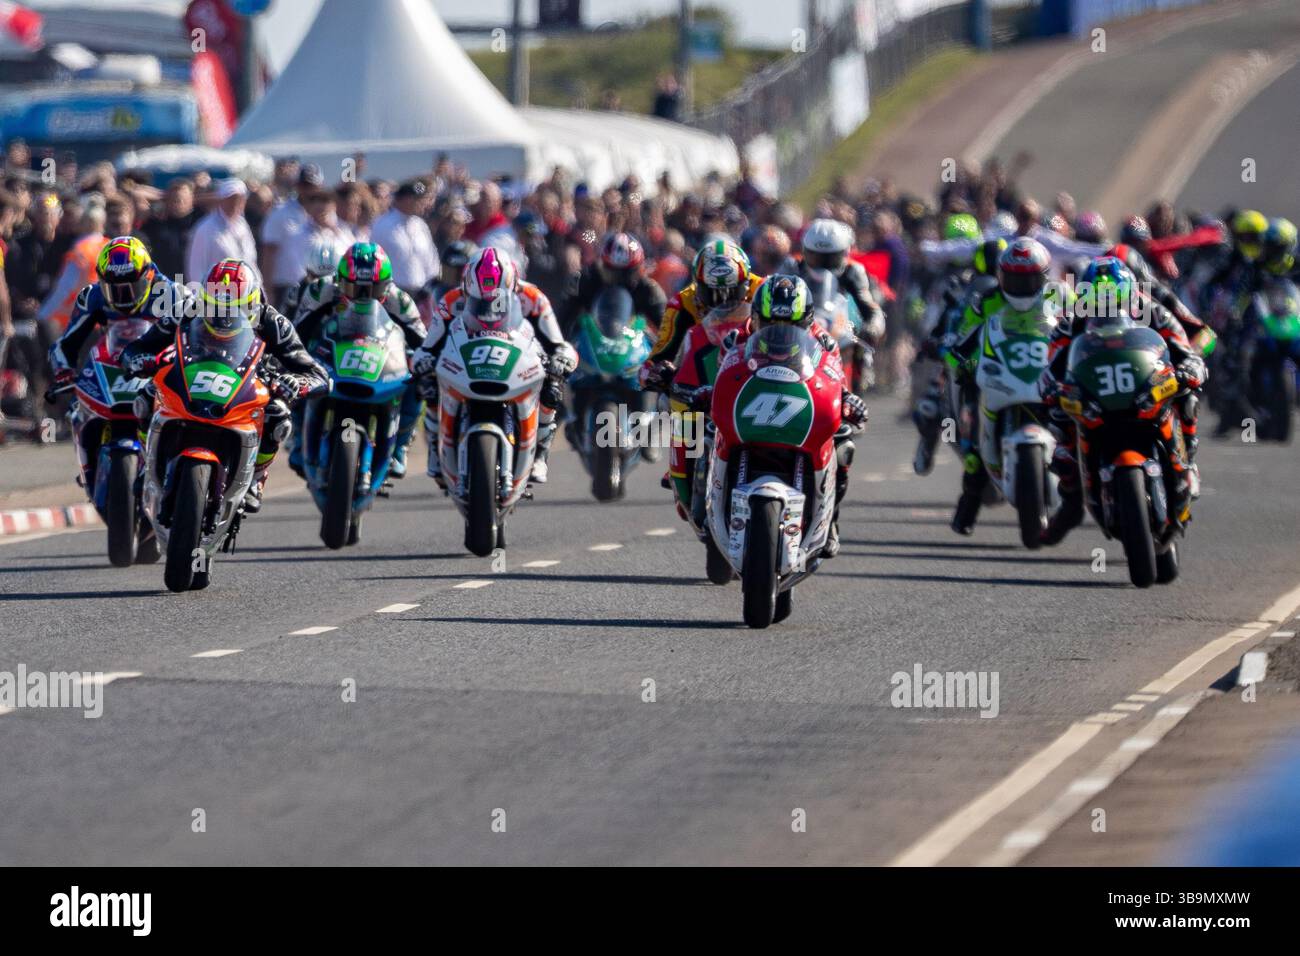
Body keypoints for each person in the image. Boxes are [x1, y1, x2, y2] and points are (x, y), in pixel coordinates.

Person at [121, 258, 327, 513]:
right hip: (192, 378)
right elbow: (138, 347)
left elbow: (316, 373)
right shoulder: (185, 309)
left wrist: (296, 383)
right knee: (147, 395)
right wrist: (138, 360)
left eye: (234, 310)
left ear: (252, 303)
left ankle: (255, 479)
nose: (224, 318)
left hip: (246, 388)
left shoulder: (274, 322)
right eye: (215, 308)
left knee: (278, 414)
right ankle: (147, 463)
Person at [1038, 256, 1207, 544]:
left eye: (1114, 295)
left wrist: (1189, 368)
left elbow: (1186, 351)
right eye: (1097, 297)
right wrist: (1053, 390)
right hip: (1095, 399)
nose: (1106, 303)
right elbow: (1050, 367)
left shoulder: (1154, 312)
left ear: (1130, 292)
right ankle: (1072, 493)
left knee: (1187, 394)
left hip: (1146, 390)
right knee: (1058, 430)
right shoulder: (1071, 323)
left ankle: (1187, 459)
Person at [412, 246, 576, 485]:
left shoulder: (533, 298)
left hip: (517, 357)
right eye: (478, 300)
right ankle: (437, 451)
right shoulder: (451, 301)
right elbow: (429, 345)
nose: (488, 305)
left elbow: (557, 343)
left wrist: (561, 359)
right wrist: (423, 361)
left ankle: (540, 452)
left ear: (512, 286)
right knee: (429, 385)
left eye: (496, 298)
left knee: (552, 388)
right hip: (468, 360)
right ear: (467, 287)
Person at [946, 237, 1067, 535]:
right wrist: (960, 359)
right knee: (973, 446)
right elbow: (964, 335)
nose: (1021, 286)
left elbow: (1085, 327)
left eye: (1028, 279)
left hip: (1047, 373)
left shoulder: (1061, 295)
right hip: (998, 371)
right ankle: (969, 504)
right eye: (1013, 278)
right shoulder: (987, 299)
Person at [293, 242, 427, 478]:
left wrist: (424, 364)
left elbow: (423, 345)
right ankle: (297, 439)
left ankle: (400, 447)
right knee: (297, 373)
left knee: (416, 381)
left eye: (372, 290)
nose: (363, 297)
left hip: (380, 359)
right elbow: (296, 334)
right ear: (339, 279)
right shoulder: (321, 290)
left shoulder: (400, 301)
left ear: (386, 285)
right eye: (354, 288)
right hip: (331, 355)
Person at [47, 237, 182, 384]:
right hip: (112, 373)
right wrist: (63, 370)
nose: (122, 297)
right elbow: (66, 342)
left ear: (147, 276)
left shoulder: (173, 294)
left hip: (161, 372)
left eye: (131, 288)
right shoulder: (93, 296)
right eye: (112, 289)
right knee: (75, 405)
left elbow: (194, 337)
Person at [639, 238, 763, 391]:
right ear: (697, 285)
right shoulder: (682, 303)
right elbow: (659, 354)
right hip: (702, 388)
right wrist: (655, 373)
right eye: (712, 294)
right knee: (665, 403)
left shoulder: (762, 290)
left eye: (732, 293)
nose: (722, 301)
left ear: (746, 282)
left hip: (755, 376)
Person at [563, 232, 666, 338]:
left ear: (638, 269)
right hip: (591, 342)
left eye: (627, 273)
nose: (619, 279)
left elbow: (667, 329)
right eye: (613, 271)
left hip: (632, 343)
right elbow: (563, 319)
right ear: (602, 265)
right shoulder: (584, 281)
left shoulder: (649, 290)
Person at [260, 164, 324, 304]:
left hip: (318, 287)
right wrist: (267, 291)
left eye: (312, 186)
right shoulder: (280, 213)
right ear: (297, 186)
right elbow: (268, 253)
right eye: (304, 186)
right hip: (287, 287)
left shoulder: (326, 215)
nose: (308, 191)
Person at [370, 180, 439, 296]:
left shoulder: (420, 225)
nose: (422, 203)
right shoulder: (383, 225)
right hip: (393, 292)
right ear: (404, 199)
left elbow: (431, 260)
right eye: (416, 199)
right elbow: (375, 261)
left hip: (422, 292)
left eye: (421, 200)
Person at [186, 179, 257, 284]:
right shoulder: (205, 228)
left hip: (244, 292)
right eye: (231, 199)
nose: (235, 203)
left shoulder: (243, 226)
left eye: (240, 199)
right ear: (221, 200)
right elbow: (195, 268)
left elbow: (251, 262)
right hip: (216, 292)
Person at [138, 177, 200, 280]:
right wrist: (163, 195)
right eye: (174, 199)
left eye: (182, 199)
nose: (178, 203)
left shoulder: (199, 220)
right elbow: (137, 194)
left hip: (194, 282)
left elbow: (224, 200)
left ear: (192, 199)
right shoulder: (156, 224)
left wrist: (197, 198)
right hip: (164, 283)